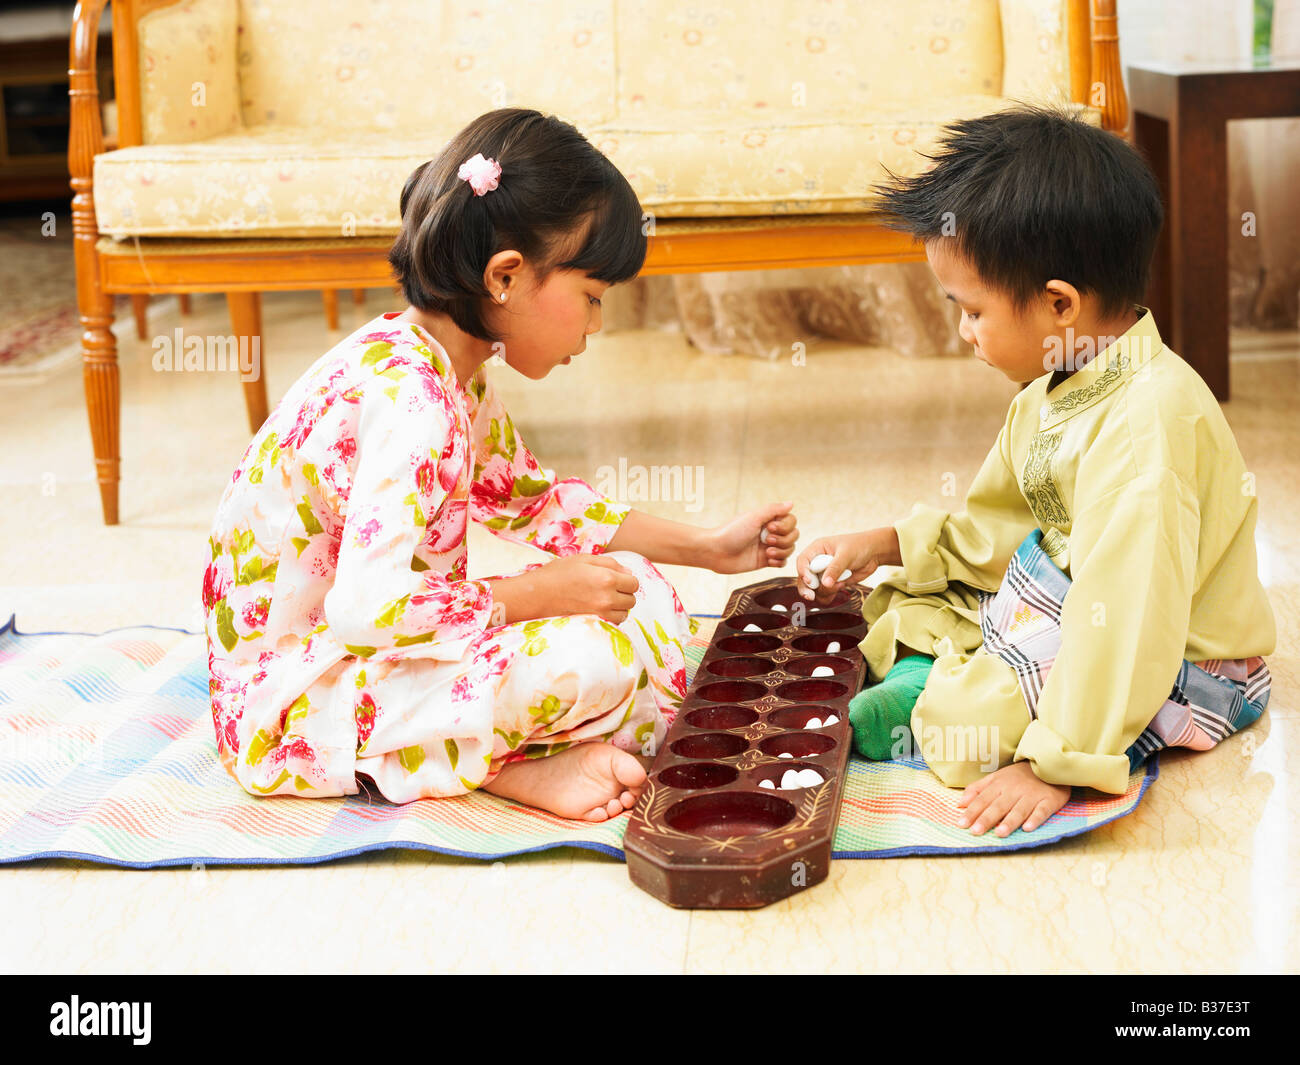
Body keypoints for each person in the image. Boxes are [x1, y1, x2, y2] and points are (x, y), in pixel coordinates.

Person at [203, 108, 798, 822]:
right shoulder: (412, 405)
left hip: (373, 657)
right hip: (295, 702)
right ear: (506, 277)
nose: (596, 324)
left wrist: (705, 547)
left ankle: (499, 752)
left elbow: (533, 503)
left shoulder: (450, 364)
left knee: (637, 586)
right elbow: (366, 611)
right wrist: (536, 595)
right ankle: (507, 770)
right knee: (592, 660)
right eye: (591, 297)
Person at [796, 104, 1275, 838]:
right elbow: (1000, 528)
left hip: (1183, 657)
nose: (964, 333)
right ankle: (933, 669)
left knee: (970, 722)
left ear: (1059, 305)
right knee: (901, 597)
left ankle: (932, 693)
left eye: (972, 310)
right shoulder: (1061, 381)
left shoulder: (1148, 424)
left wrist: (1058, 762)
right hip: (1071, 590)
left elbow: (1131, 615)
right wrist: (889, 541)